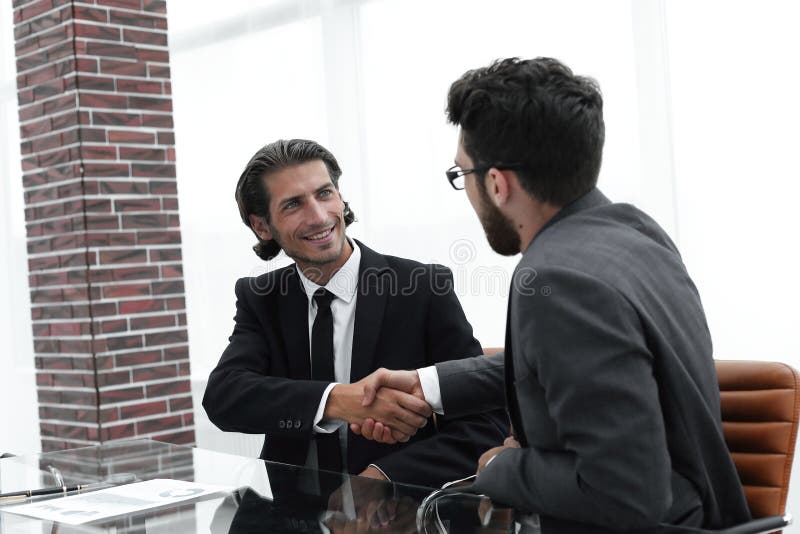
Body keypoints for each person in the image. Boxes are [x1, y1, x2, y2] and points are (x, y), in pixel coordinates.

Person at [352, 58, 751, 532]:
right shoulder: (636, 231)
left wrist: (500, 467)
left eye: (463, 174)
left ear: (497, 183)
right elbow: (573, 357)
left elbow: (624, 492)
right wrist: (431, 385)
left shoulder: (557, 282)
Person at [202, 139, 507, 489]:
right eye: (293, 204)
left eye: (324, 193)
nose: (319, 216)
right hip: (287, 508)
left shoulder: (422, 287)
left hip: (396, 505)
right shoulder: (261, 296)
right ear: (262, 226)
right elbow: (224, 396)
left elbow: (484, 424)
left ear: (341, 197)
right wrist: (336, 401)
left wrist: (384, 478)